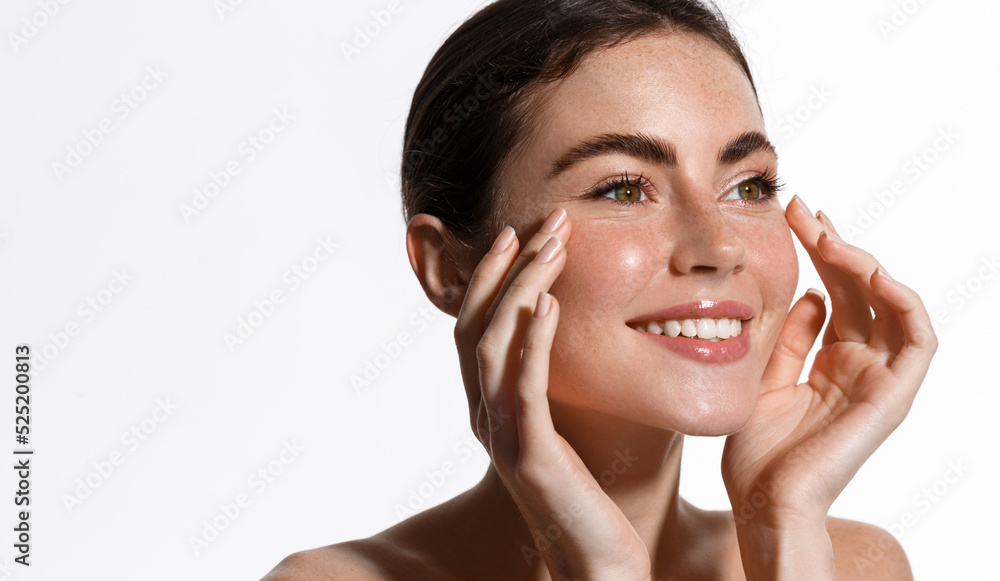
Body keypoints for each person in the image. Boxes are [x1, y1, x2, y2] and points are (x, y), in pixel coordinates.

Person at [264, 0, 937, 578]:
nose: (719, 246)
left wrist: (784, 527)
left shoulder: (849, 564)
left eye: (748, 186)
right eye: (623, 188)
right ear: (450, 267)